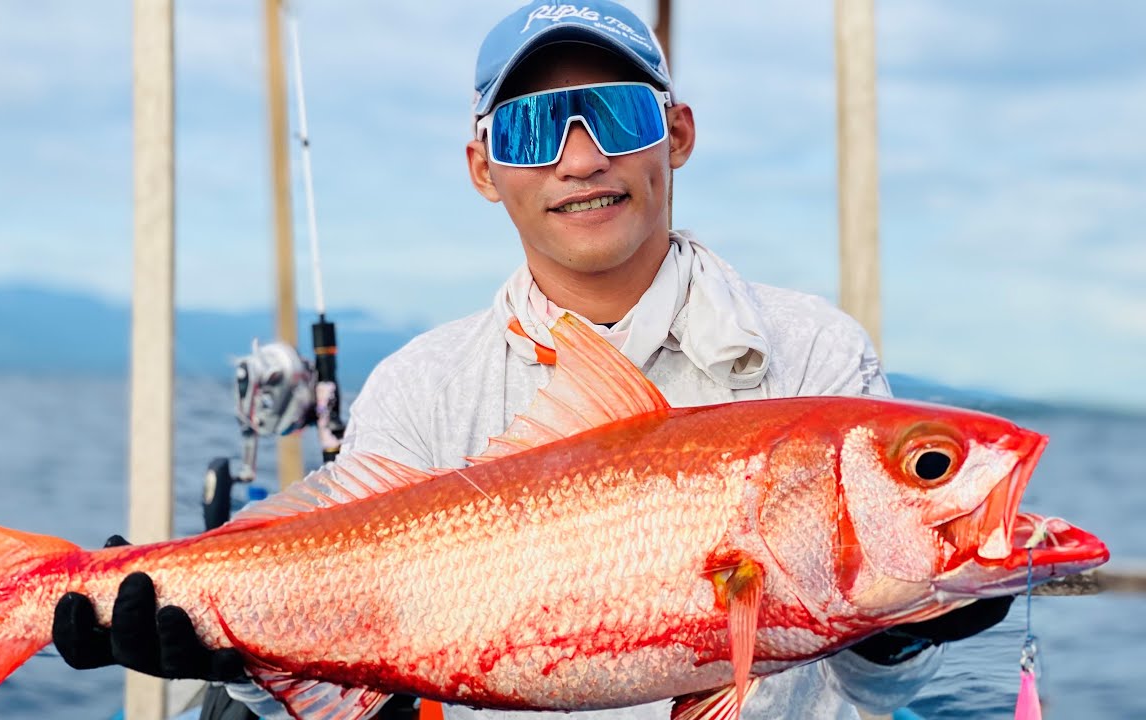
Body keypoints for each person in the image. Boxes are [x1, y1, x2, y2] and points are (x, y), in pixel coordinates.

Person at [52, 2, 1013, 718]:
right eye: (530, 129)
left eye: (617, 117)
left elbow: (887, 686)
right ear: (483, 169)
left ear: (675, 135)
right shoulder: (425, 388)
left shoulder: (814, 352)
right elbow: (351, 654)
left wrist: (906, 624)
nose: (581, 157)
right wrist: (247, 656)